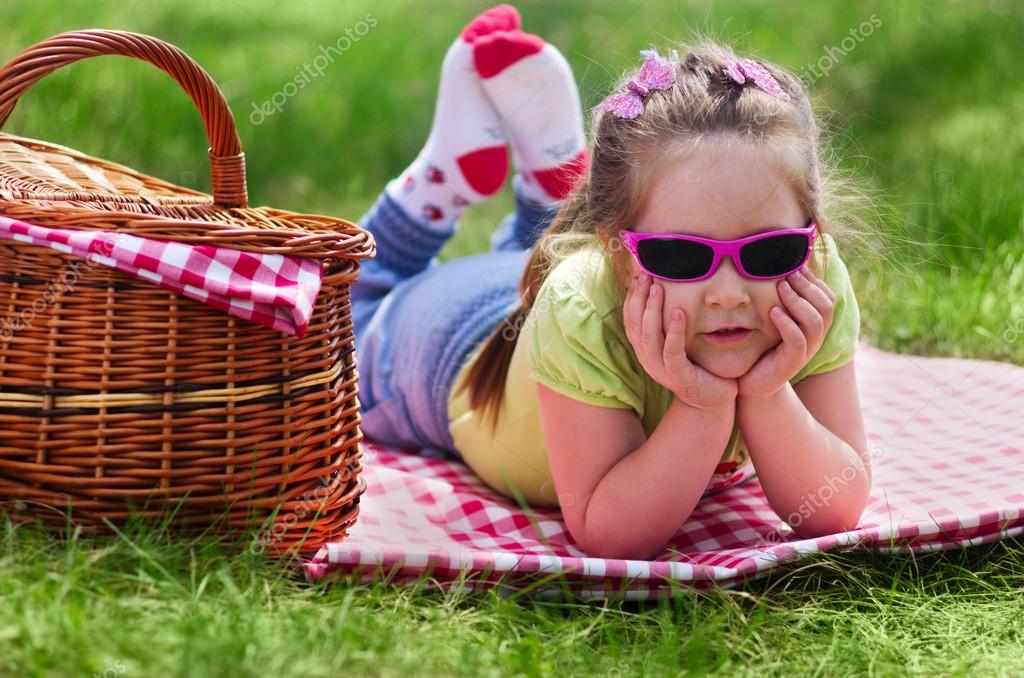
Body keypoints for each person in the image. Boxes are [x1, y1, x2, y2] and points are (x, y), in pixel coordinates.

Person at [351, 4, 871, 560]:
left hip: (538, 294)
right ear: (620, 255)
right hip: (443, 346)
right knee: (350, 312)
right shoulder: (580, 303)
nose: (729, 293)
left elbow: (833, 510)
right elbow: (611, 534)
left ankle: (547, 186)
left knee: (533, 257)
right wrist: (702, 406)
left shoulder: (810, 278)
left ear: (809, 235)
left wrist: (767, 394)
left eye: (770, 250)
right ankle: (440, 178)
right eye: (680, 255)